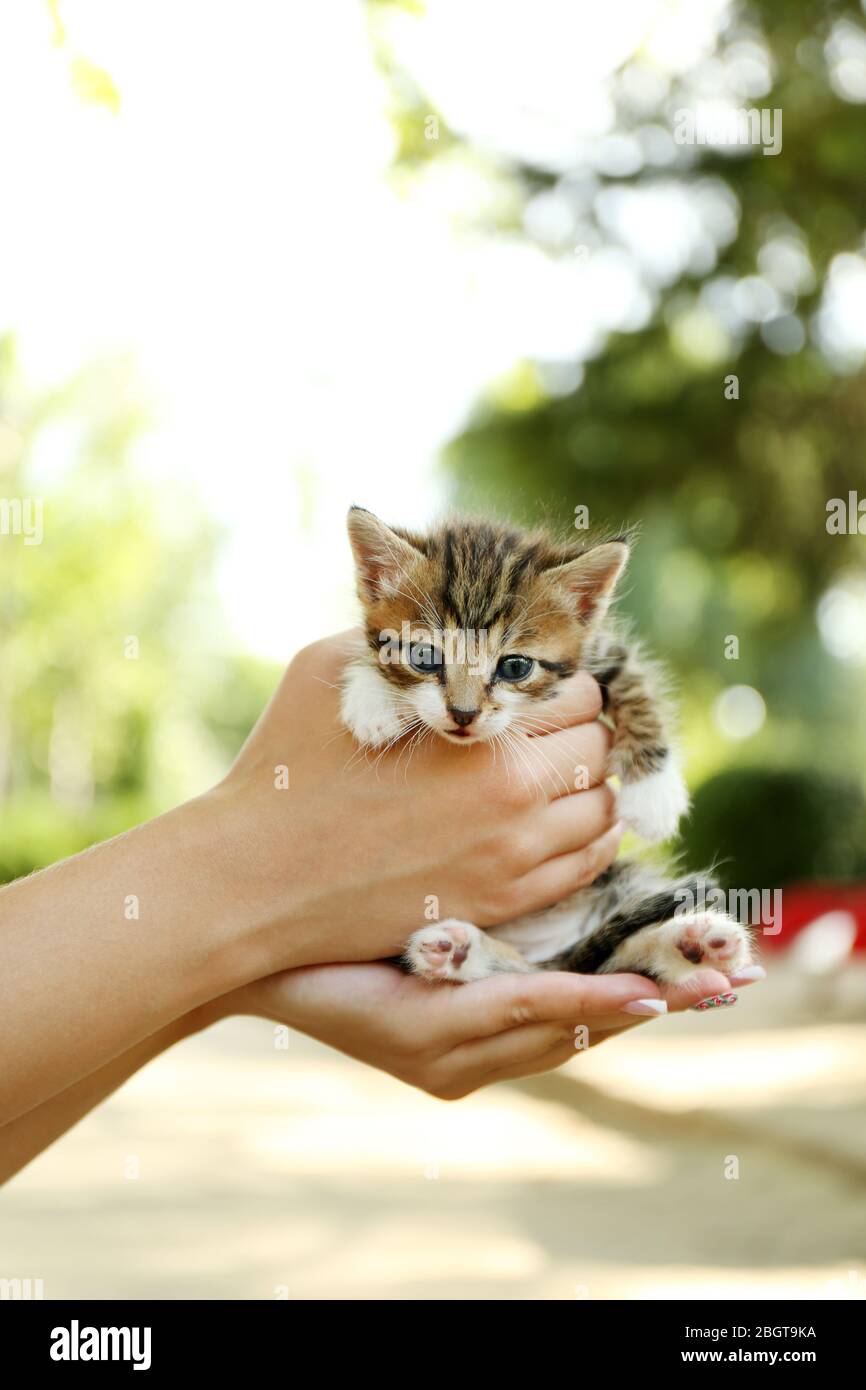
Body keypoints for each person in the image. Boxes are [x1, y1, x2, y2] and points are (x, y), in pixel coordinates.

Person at [0, 632, 757, 1183]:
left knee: (620, 903)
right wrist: (263, 875)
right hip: (503, 926)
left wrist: (245, 964)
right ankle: (612, 946)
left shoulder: (550, 644)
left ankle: (644, 941)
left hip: (565, 903)